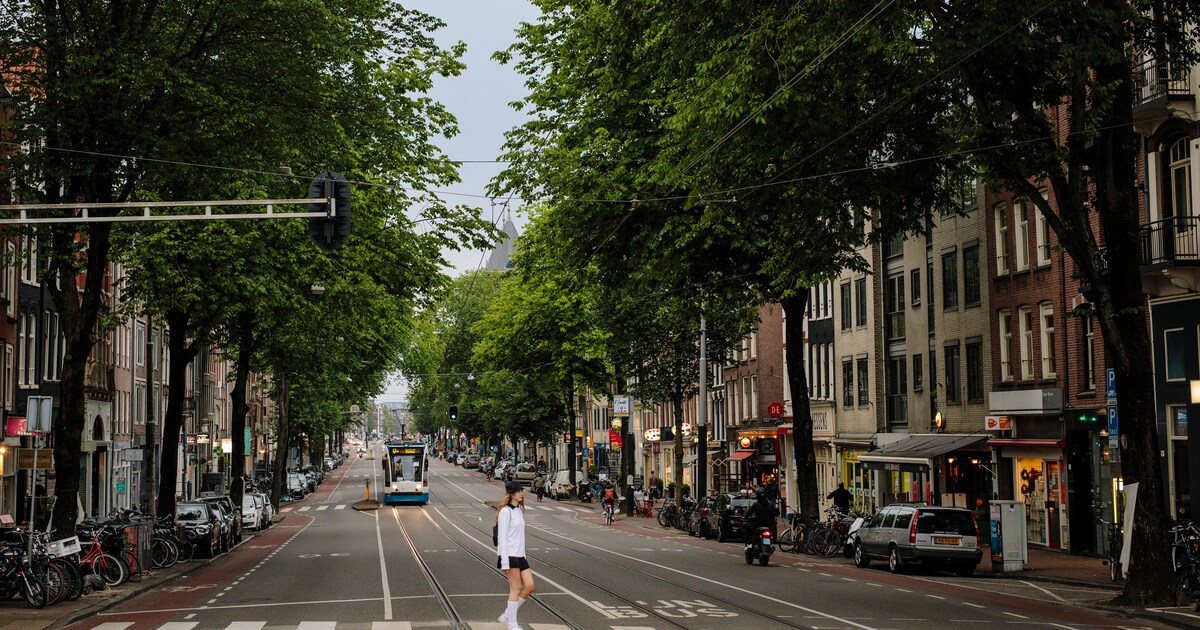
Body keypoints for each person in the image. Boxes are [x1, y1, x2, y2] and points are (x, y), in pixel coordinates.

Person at [496, 480, 535, 629]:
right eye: (519, 491)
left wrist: (523, 555)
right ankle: (512, 624)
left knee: (530, 586)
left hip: (520, 555)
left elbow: (520, 536)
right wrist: (505, 562)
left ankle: (507, 615)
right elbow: (502, 537)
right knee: (516, 589)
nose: (521, 493)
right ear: (511, 494)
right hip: (509, 555)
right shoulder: (506, 511)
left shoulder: (518, 510)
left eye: (522, 491)